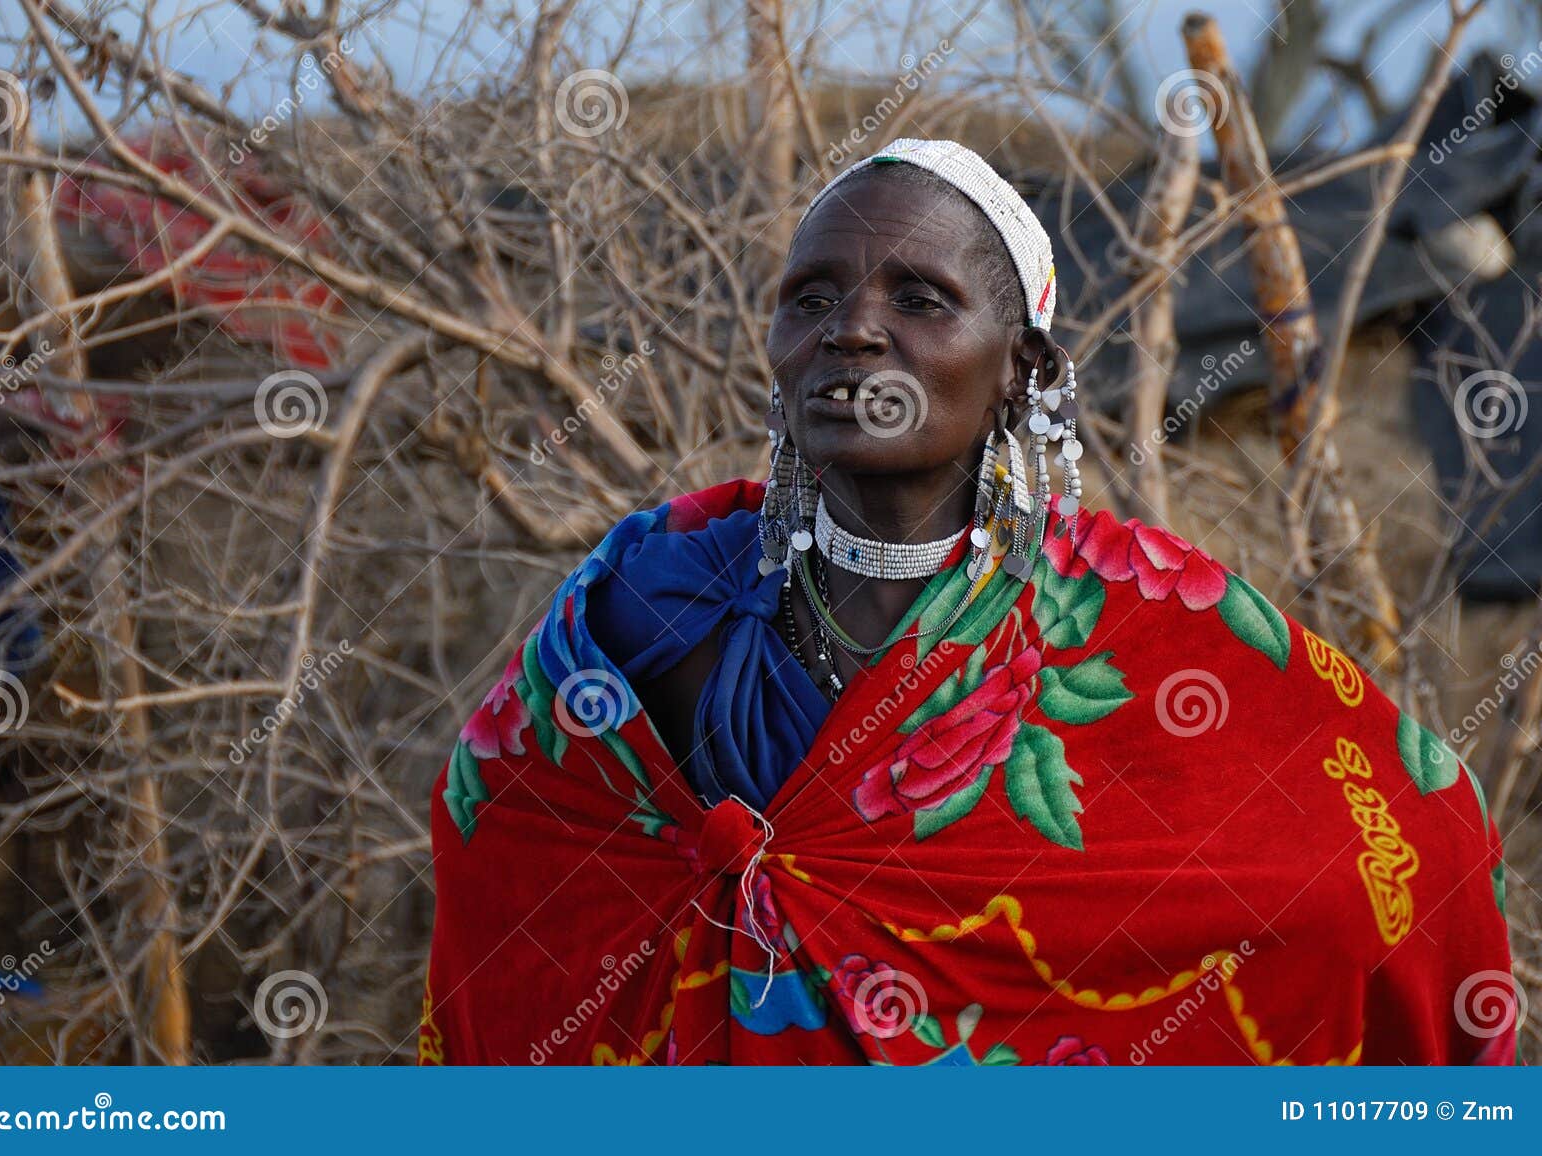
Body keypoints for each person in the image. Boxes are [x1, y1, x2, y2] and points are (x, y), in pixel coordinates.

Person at [420, 138, 1516, 1066]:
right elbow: (508, 839)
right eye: (812, 298)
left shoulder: (1142, 622)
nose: (851, 329)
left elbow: (1409, 841)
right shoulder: (660, 602)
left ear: (1022, 371)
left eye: (919, 299)